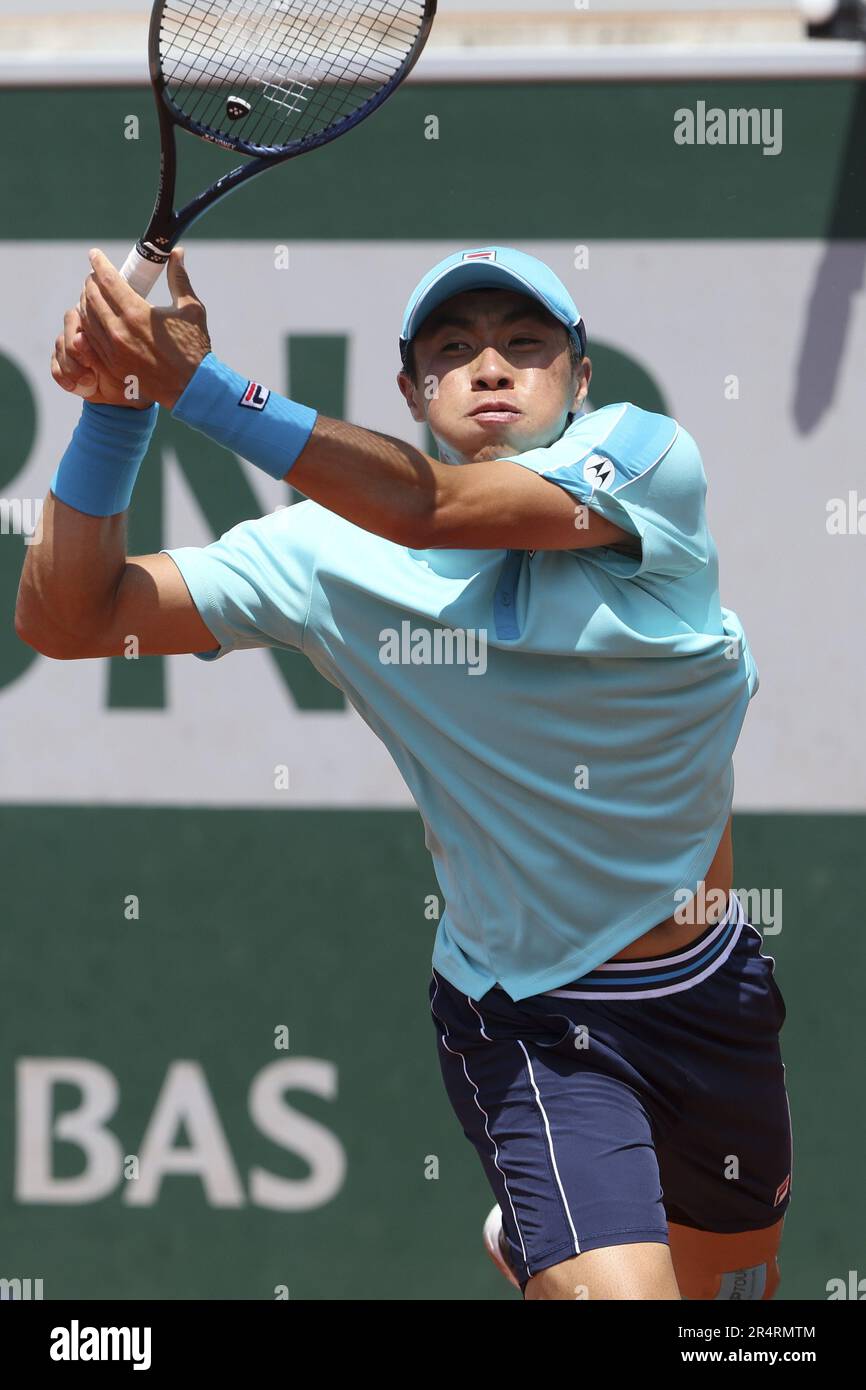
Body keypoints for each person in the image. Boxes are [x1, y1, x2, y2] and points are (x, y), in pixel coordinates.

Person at [18, 244, 791, 1301]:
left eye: (525, 346)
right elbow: (71, 620)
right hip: (528, 1010)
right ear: (410, 391)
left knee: (738, 1303)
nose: (488, 366)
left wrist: (190, 380)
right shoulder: (319, 556)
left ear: (578, 382)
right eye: (452, 349)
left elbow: (429, 507)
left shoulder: (647, 464)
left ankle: (544, 1243)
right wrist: (119, 406)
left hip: (709, 988)